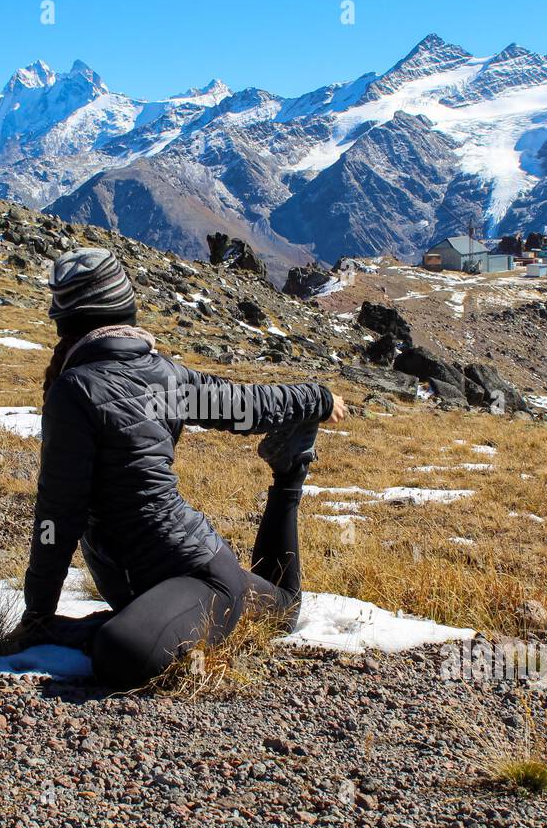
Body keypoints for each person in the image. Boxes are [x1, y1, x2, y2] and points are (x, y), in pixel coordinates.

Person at [17, 247, 346, 688]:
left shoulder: (75, 391)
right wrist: (317, 398)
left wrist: (39, 615)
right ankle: (288, 474)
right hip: (197, 564)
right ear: (125, 310)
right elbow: (248, 406)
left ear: (65, 322)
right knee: (282, 608)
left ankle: (289, 477)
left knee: (122, 652)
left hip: (197, 578)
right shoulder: (162, 376)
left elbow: (57, 517)